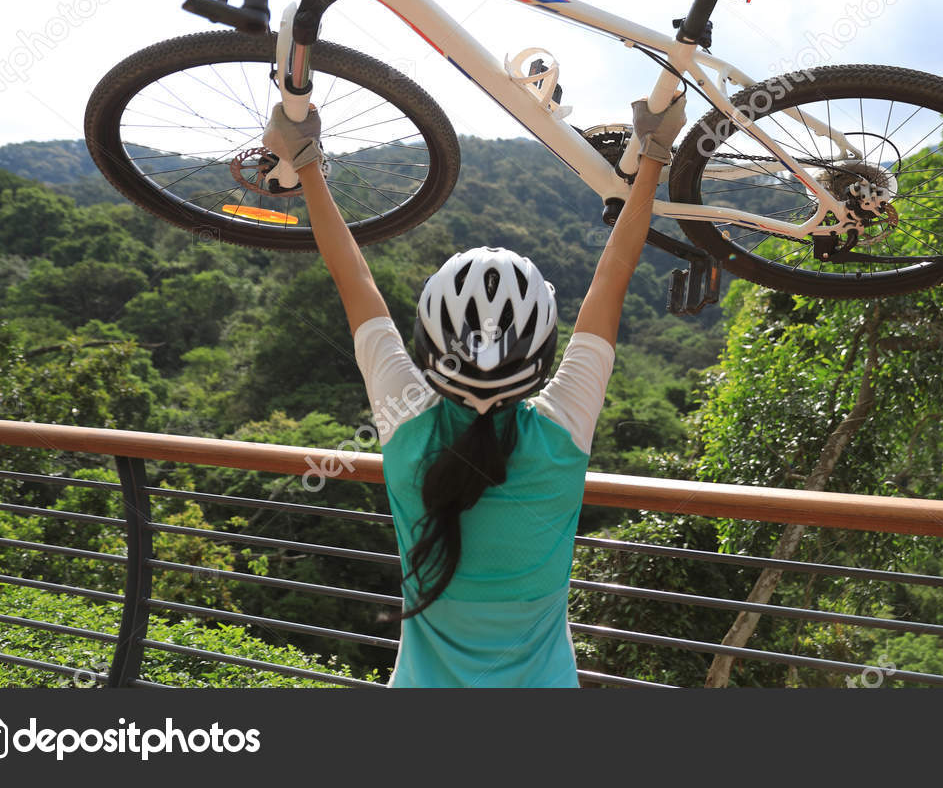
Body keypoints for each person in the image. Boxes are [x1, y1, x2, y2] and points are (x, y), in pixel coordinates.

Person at [262, 89, 686, 687]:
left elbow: (351, 275)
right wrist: (654, 154)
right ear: (539, 353)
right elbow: (614, 273)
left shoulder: (409, 423)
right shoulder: (560, 431)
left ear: (431, 346)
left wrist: (305, 161)